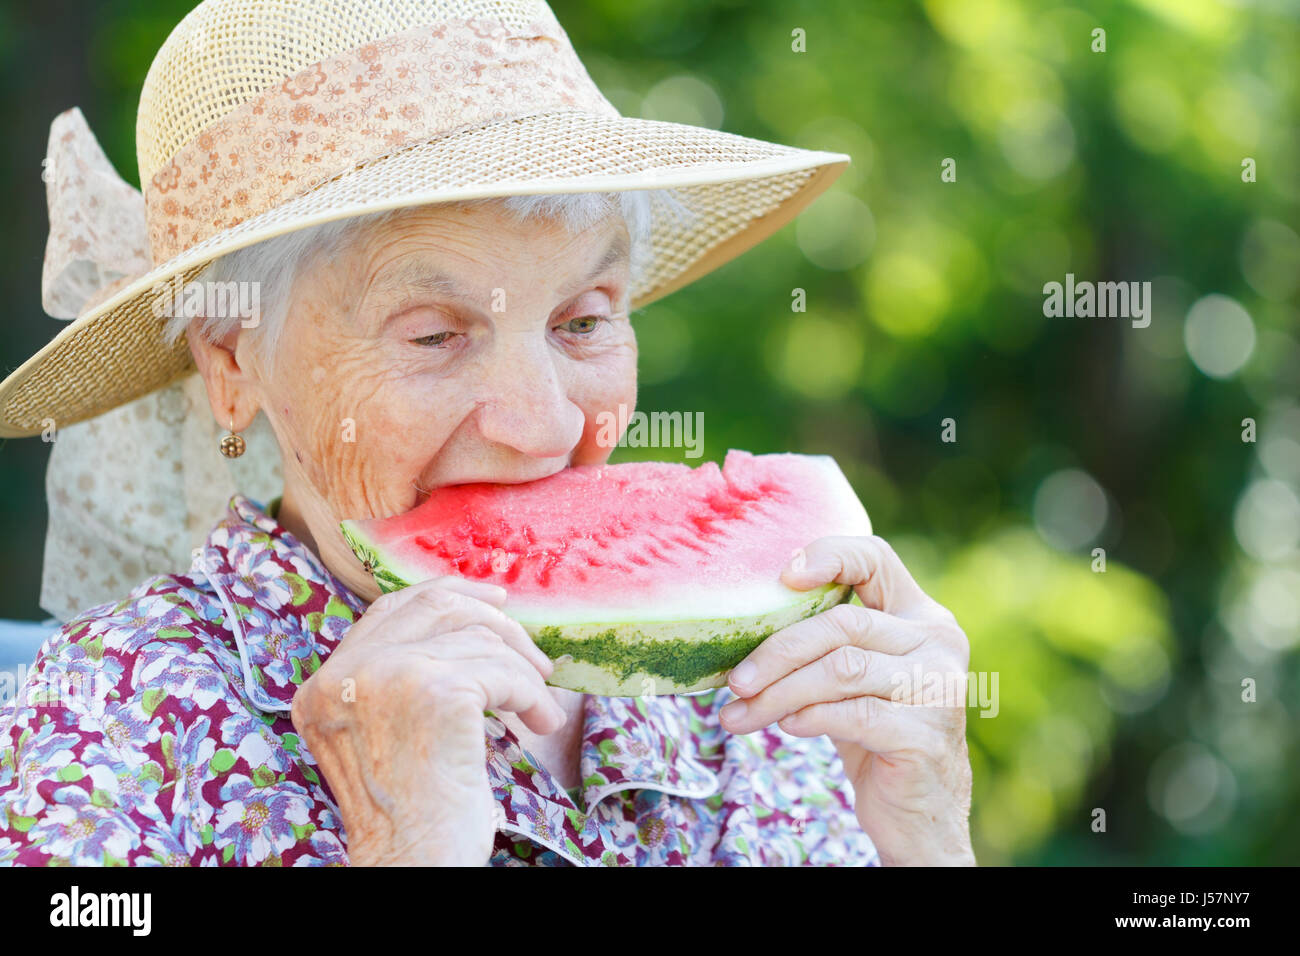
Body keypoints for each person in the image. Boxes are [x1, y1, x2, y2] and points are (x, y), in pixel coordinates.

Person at [0, 0, 974, 866]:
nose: (542, 421)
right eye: (433, 334)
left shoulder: (775, 692)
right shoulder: (98, 725)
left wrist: (926, 833)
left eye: (584, 319)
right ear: (229, 361)